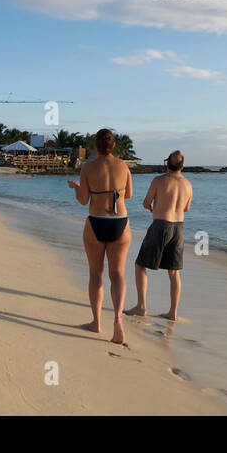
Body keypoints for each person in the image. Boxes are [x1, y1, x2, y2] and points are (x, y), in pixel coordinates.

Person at [67, 128, 133, 343]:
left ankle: (96, 322)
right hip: (119, 223)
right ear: (113, 145)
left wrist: (76, 188)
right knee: (118, 275)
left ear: (95, 146)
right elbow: (129, 194)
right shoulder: (123, 166)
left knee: (96, 274)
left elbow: (83, 200)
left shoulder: (88, 167)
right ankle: (118, 320)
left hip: (96, 222)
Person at [126, 151, 193, 321]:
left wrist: (153, 208)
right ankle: (173, 312)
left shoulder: (159, 180)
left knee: (140, 265)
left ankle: (141, 306)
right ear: (182, 166)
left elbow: (146, 202)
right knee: (174, 272)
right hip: (179, 227)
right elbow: (186, 208)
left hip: (161, 225)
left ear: (167, 164)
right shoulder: (188, 185)